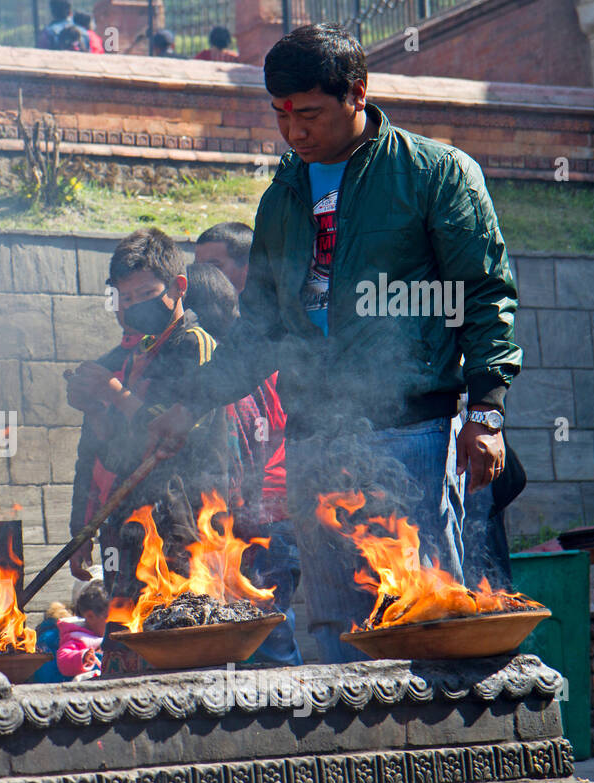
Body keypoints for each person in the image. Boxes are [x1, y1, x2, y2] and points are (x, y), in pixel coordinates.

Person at [146, 25, 521, 663]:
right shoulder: (282, 199)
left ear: (358, 94)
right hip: (313, 438)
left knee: (432, 616)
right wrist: (190, 403)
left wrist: (485, 411)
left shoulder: (435, 174)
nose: (294, 131)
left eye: (310, 113)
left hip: (413, 434)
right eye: (281, 115)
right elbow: (260, 328)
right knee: (336, 628)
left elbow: (485, 294)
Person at [65, 228, 231, 608]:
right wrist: (81, 530)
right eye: (126, 298)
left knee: (181, 633)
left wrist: (114, 393)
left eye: (146, 296)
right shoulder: (123, 359)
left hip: (186, 524)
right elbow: (104, 454)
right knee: (124, 638)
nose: (134, 306)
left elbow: (178, 432)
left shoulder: (196, 345)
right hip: (125, 526)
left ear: (178, 287)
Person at [184, 264, 301, 666]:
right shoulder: (260, 367)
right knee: (271, 633)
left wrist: (223, 527)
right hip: (274, 520)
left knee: (265, 643)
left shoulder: (227, 380)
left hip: (253, 527)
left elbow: (238, 462)